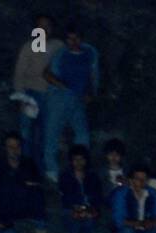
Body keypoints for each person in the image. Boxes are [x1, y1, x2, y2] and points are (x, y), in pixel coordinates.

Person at [42, 25, 99, 182]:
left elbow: (93, 75)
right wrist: (62, 86)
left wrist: (91, 93)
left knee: (82, 134)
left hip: (78, 99)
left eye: (76, 38)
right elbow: (46, 73)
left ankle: (81, 166)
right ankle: (51, 169)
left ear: (81, 38)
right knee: (52, 132)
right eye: (69, 38)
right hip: (60, 97)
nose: (73, 42)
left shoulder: (89, 53)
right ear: (65, 40)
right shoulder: (61, 54)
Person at [12, 14, 62, 164]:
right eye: (41, 26)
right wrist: (22, 98)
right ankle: (27, 166)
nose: (44, 29)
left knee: (45, 133)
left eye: (47, 26)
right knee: (26, 132)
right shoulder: (28, 48)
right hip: (31, 94)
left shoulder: (58, 46)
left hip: (51, 96)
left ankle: (43, 169)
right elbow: (19, 74)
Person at [0, 131, 51, 233]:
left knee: (37, 193)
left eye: (17, 146)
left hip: (25, 201)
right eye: (11, 147)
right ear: (5, 148)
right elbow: (0, 186)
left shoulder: (28, 162)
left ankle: (40, 229)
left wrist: (20, 184)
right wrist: (22, 184)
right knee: (4, 193)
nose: (14, 149)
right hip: (8, 203)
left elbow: (37, 182)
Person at [57, 144, 103, 233]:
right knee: (75, 222)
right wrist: (77, 209)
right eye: (75, 159)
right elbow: (66, 198)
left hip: (89, 210)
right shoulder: (65, 176)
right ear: (71, 161)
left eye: (81, 159)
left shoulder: (92, 176)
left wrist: (91, 209)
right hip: (71, 209)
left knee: (89, 221)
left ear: (86, 160)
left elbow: (97, 196)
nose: (78, 162)